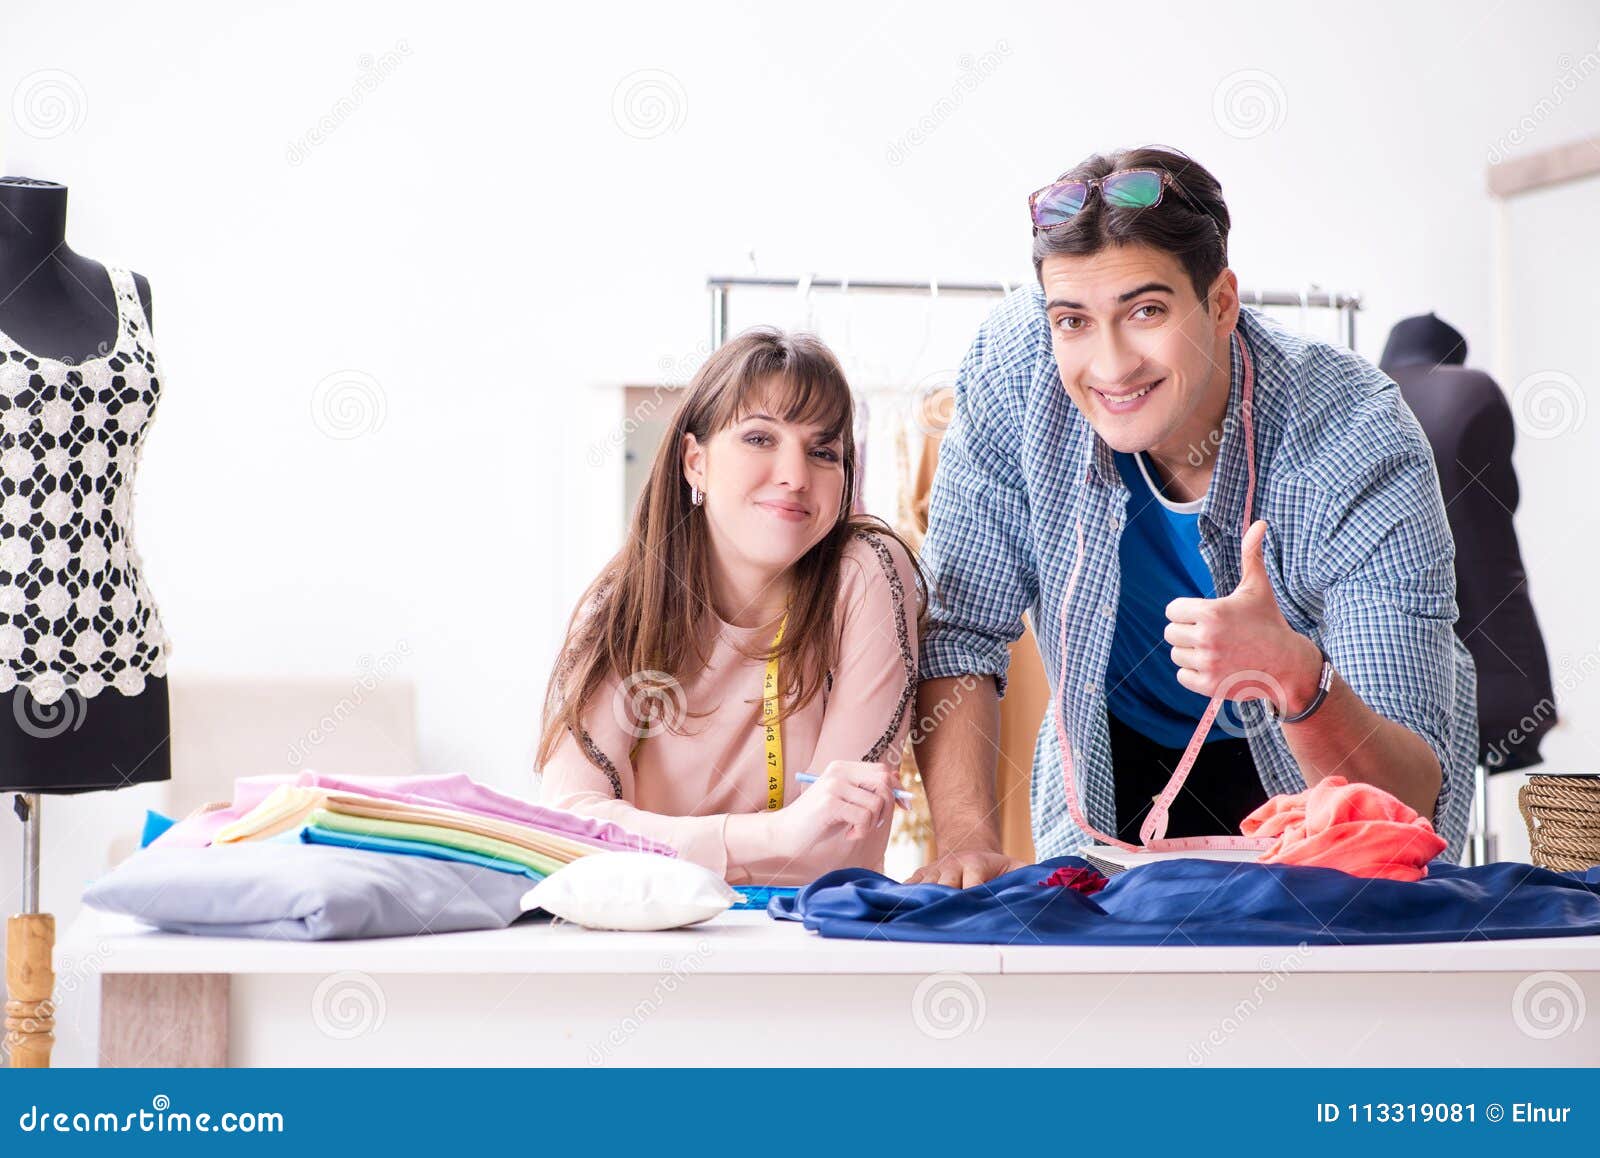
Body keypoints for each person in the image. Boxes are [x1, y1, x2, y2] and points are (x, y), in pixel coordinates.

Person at [910, 146, 1476, 888]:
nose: (1110, 366)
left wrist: (1295, 678)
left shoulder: (1354, 435)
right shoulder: (1015, 364)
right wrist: (964, 845)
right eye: (1075, 320)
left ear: (1220, 303)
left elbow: (1403, 805)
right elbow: (962, 631)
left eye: (1146, 311)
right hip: (1110, 770)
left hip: (1311, 785)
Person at [537, 327, 925, 886]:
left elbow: (838, 846)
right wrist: (783, 833)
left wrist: (661, 842)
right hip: (647, 946)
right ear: (695, 461)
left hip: (812, 947)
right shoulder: (620, 607)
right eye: (760, 439)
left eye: (823, 452)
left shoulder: (866, 573)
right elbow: (565, 834)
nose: (795, 476)